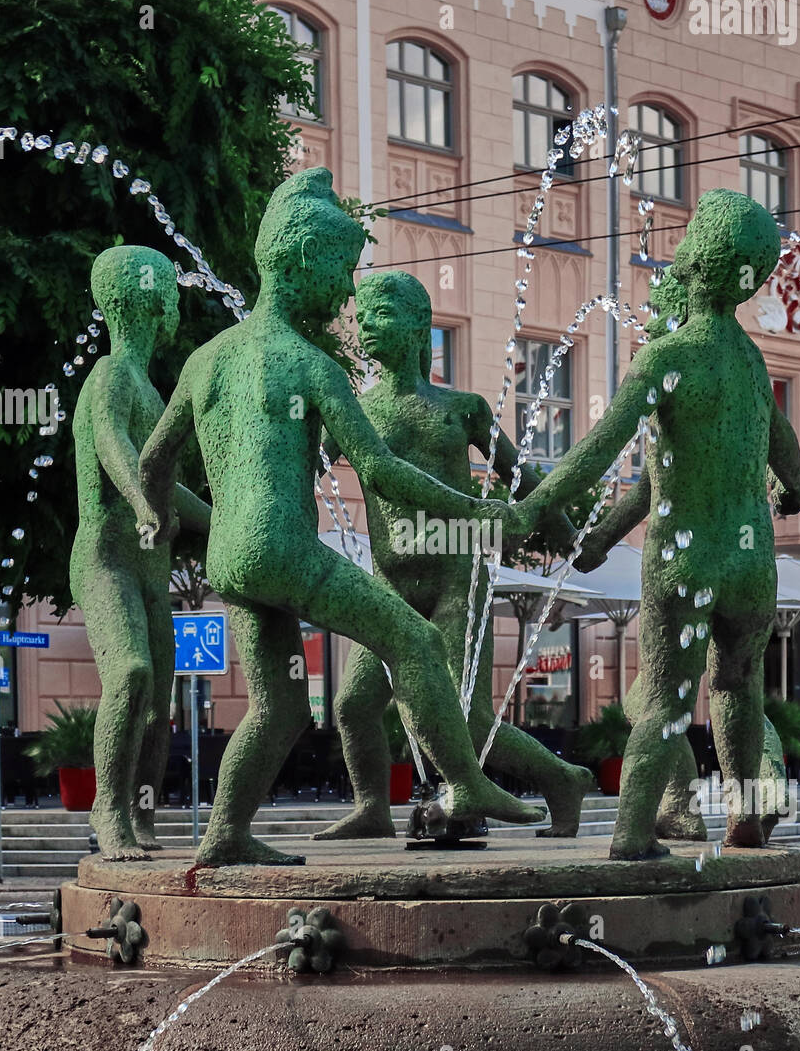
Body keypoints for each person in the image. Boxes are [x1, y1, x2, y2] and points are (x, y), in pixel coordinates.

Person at [139, 168, 541, 866]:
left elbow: (152, 463)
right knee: (413, 642)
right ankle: (469, 785)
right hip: (284, 549)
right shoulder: (310, 364)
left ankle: (225, 835)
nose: (349, 291)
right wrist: (483, 510)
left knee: (282, 708)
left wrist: (165, 522)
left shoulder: (206, 360)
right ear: (301, 263)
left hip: (231, 560)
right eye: (342, 269)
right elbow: (381, 470)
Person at [519, 189, 800, 857]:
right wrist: (792, 493)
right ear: (754, 278)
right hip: (750, 565)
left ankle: (630, 833)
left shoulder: (667, 359)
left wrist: (535, 508)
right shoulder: (749, 360)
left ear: (691, 257)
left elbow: (597, 450)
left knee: (665, 699)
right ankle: (746, 816)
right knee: (739, 689)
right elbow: (784, 448)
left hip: (685, 559)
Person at [315, 270, 594, 841]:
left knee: (466, 718)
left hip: (455, 576)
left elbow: (519, 477)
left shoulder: (462, 407)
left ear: (421, 326)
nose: (367, 326)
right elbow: (302, 475)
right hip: (390, 584)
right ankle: (372, 807)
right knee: (353, 704)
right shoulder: (354, 410)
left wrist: (574, 541)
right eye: (362, 316)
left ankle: (562, 779)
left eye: (383, 314)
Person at [69, 245, 212, 860]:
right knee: (129, 674)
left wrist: (227, 527)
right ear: (153, 302)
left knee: (159, 705)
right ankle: (108, 811)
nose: (177, 304)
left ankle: (143, 815)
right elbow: (110, 441)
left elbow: (169, 483)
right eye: (172, 294)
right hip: (106, 558)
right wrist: (141, 500)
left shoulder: (155, 393)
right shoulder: (109, 377)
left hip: (152, 567)